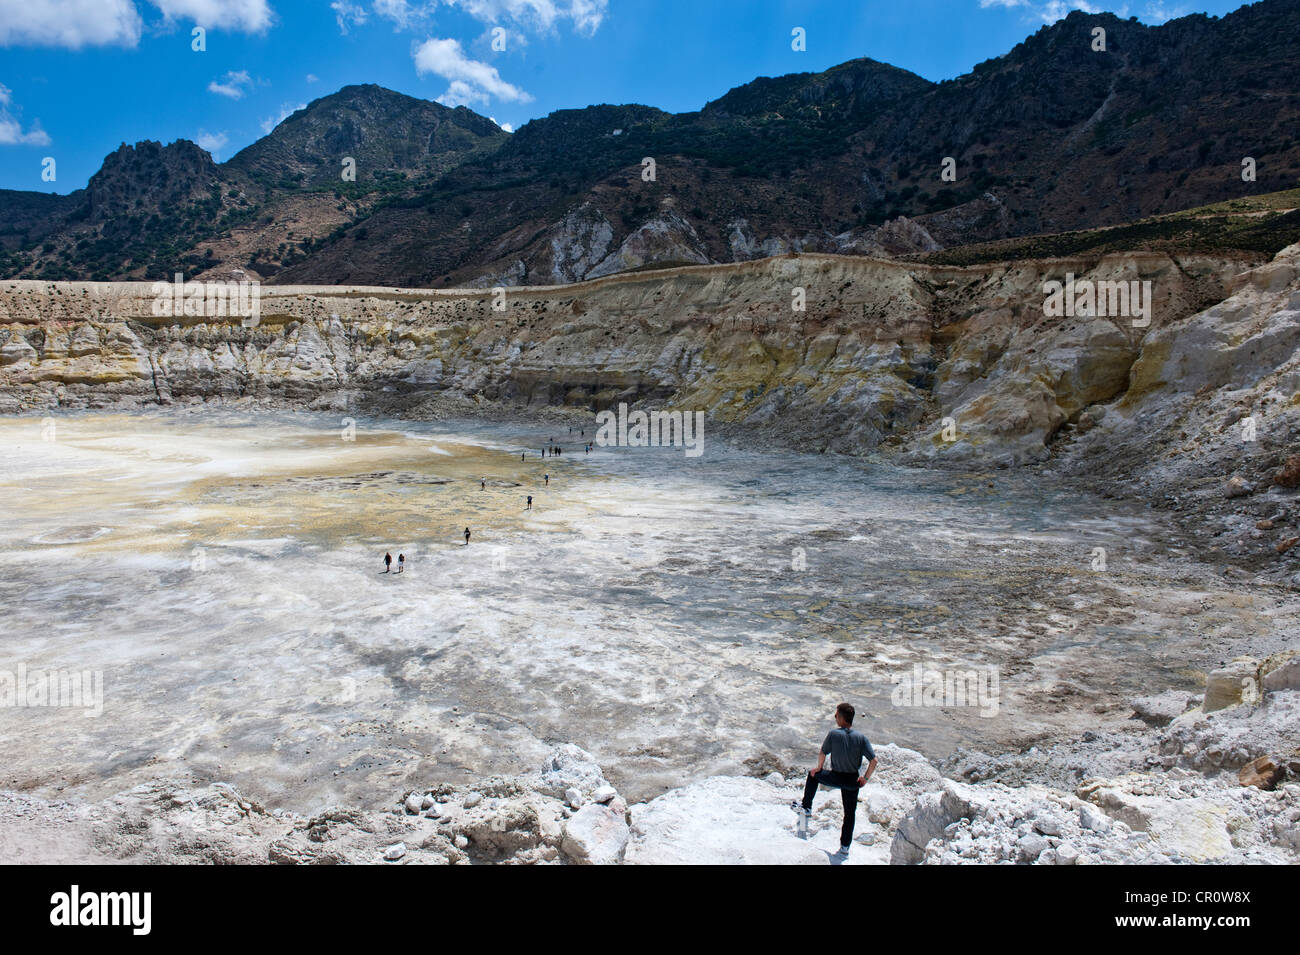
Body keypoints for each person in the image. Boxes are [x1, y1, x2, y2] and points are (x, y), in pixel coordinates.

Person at [791, 703, 877, 854]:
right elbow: (874, 761)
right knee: (849, 814)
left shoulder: (833, 734)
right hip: (852, 781)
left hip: (835, 777)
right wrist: (865, 778)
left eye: (836, 715)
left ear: (842, 718)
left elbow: (823, 752)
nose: (835, 717)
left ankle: (807, 807)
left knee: (812, 776)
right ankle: (845, 847)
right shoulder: (861, 738)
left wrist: (819, 767)